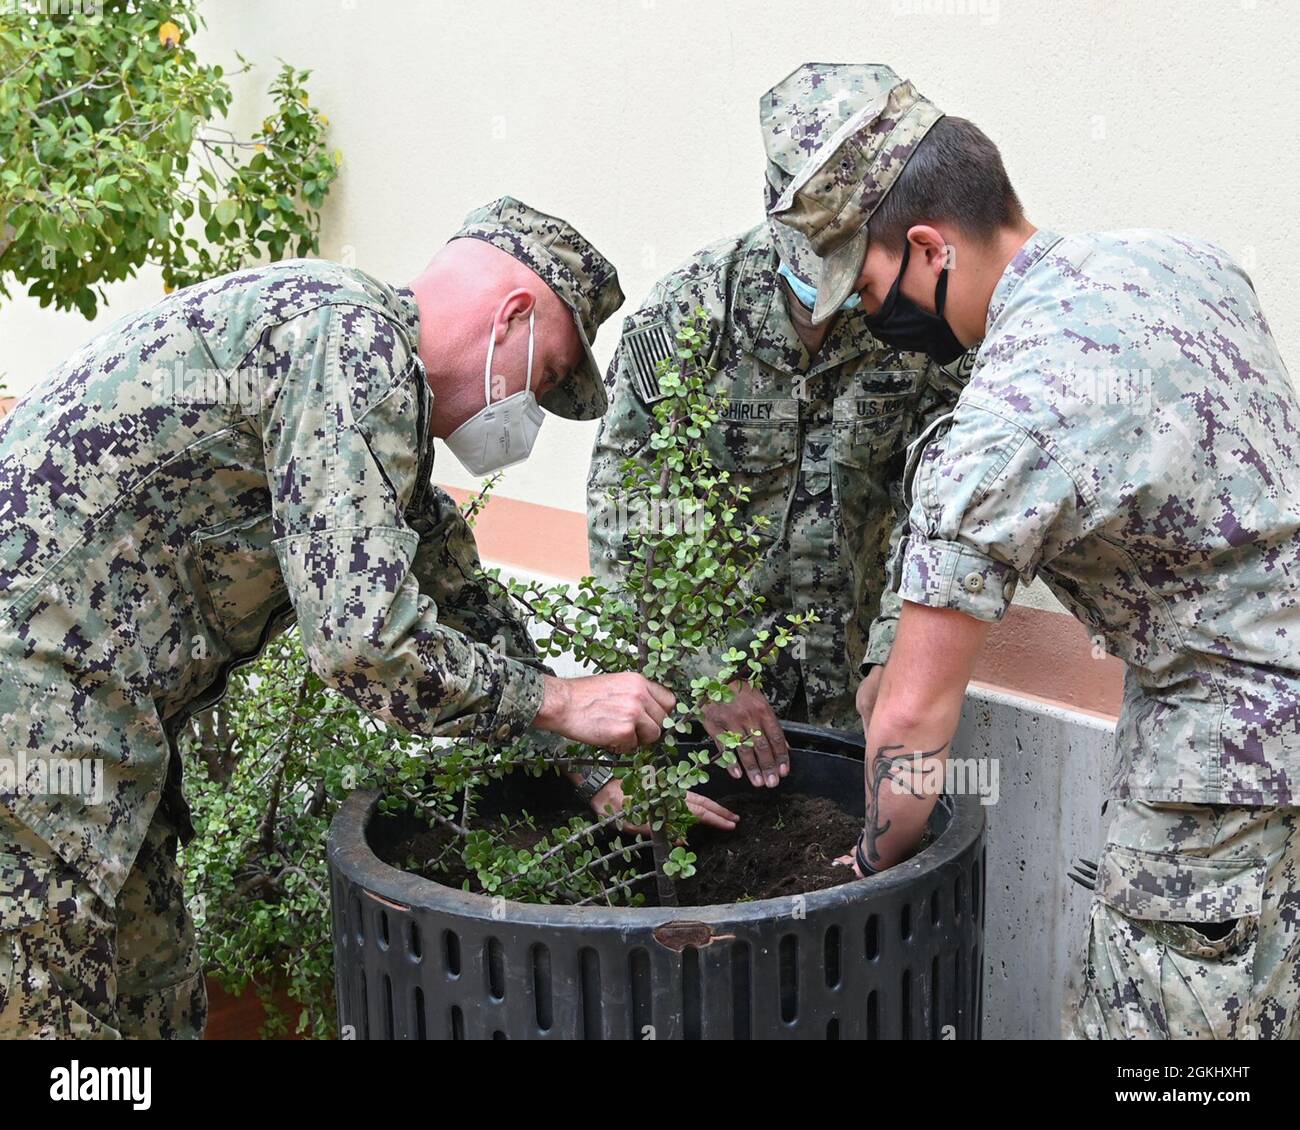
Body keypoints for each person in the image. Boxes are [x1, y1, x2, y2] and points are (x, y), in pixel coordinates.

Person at [0, 197, 731, 1039]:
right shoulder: (349, 341)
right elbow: (364, 646)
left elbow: (459, 599)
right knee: (58, 1033)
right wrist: (564, 703)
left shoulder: (372, 397)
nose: (528, 416)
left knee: (150, 1003)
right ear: (514, 318)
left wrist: (583, 764)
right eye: (545, 377)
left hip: (94, 730)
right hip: (35, 714)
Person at [772, 77, 1300, 1039]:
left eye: (874, 290)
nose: (870, 317)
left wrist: (870, 858)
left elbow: (914, 720)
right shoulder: (1182, 261)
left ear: (932, 246)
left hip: (1219, 779)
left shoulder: (1002, 425)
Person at [588, 64, 965, 790]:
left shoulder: (921, 327)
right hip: (706, 720)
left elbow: (943, 503)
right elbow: (623, 516)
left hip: (857, 701)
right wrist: (704, 676)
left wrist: (898, 651)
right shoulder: (687, 319)